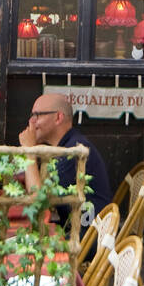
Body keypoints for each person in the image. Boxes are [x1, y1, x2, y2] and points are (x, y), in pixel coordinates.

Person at [18, 91, 112, 223]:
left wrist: (29, 151)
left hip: (85, 236)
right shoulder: (67, 145)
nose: (31, 122)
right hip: (71, 226)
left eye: (37, 115)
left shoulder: (73, 152)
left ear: (58, 118)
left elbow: (37, 202)